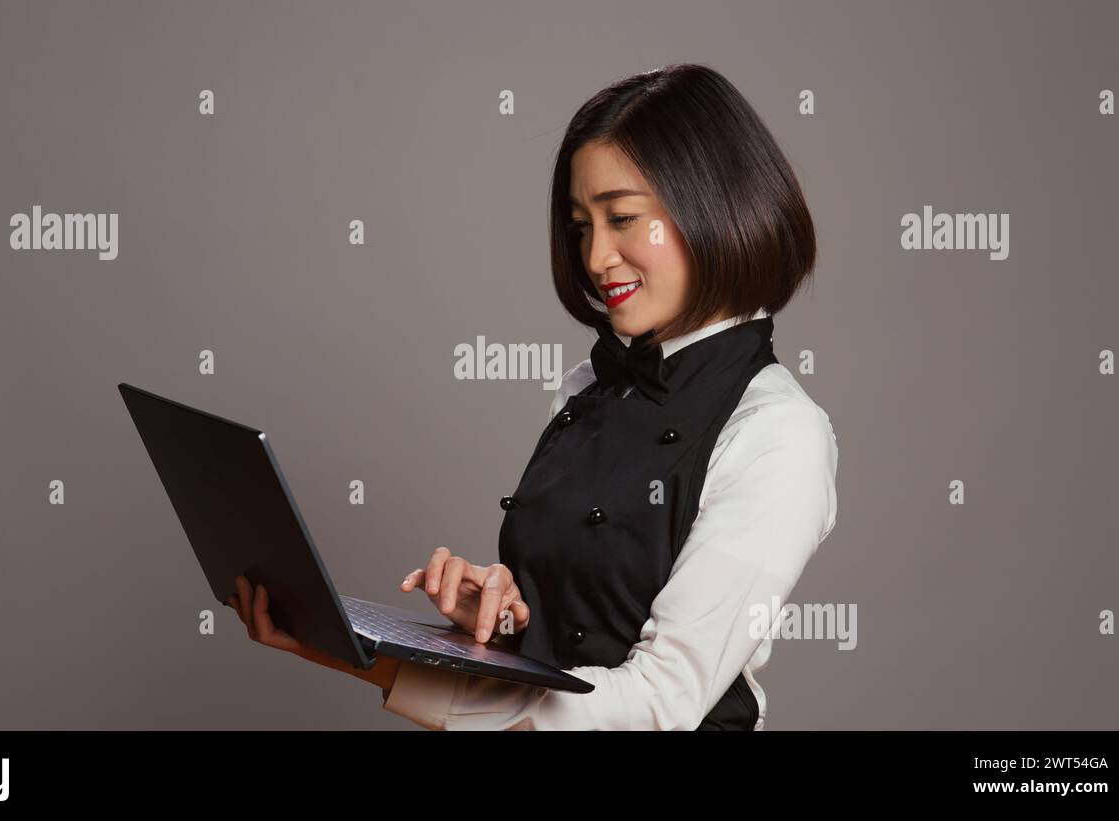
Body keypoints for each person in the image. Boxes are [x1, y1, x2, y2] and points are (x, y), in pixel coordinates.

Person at [226, 62, 838, 730]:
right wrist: (508, 617)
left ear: (717, 208)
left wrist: (363, 661)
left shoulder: (780, 433)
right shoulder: (589, 385)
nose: (597, 257)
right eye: (581, 226)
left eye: (623, 218)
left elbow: (659, 702)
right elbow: (573, 652)